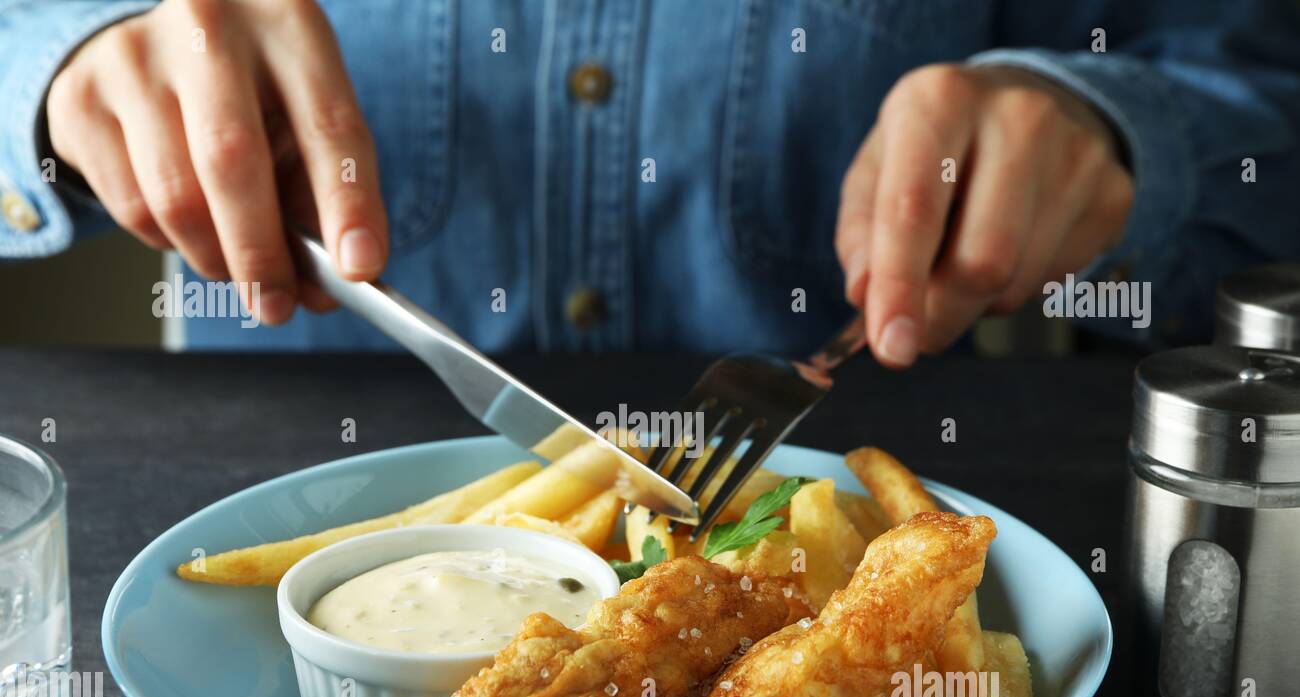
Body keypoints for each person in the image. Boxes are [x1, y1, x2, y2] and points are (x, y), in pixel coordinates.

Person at [1, 0, 1298, 366]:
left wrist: (1117, 125)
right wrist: (56, 60)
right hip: (235, 558)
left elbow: (1258, 98)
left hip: (872, 517)